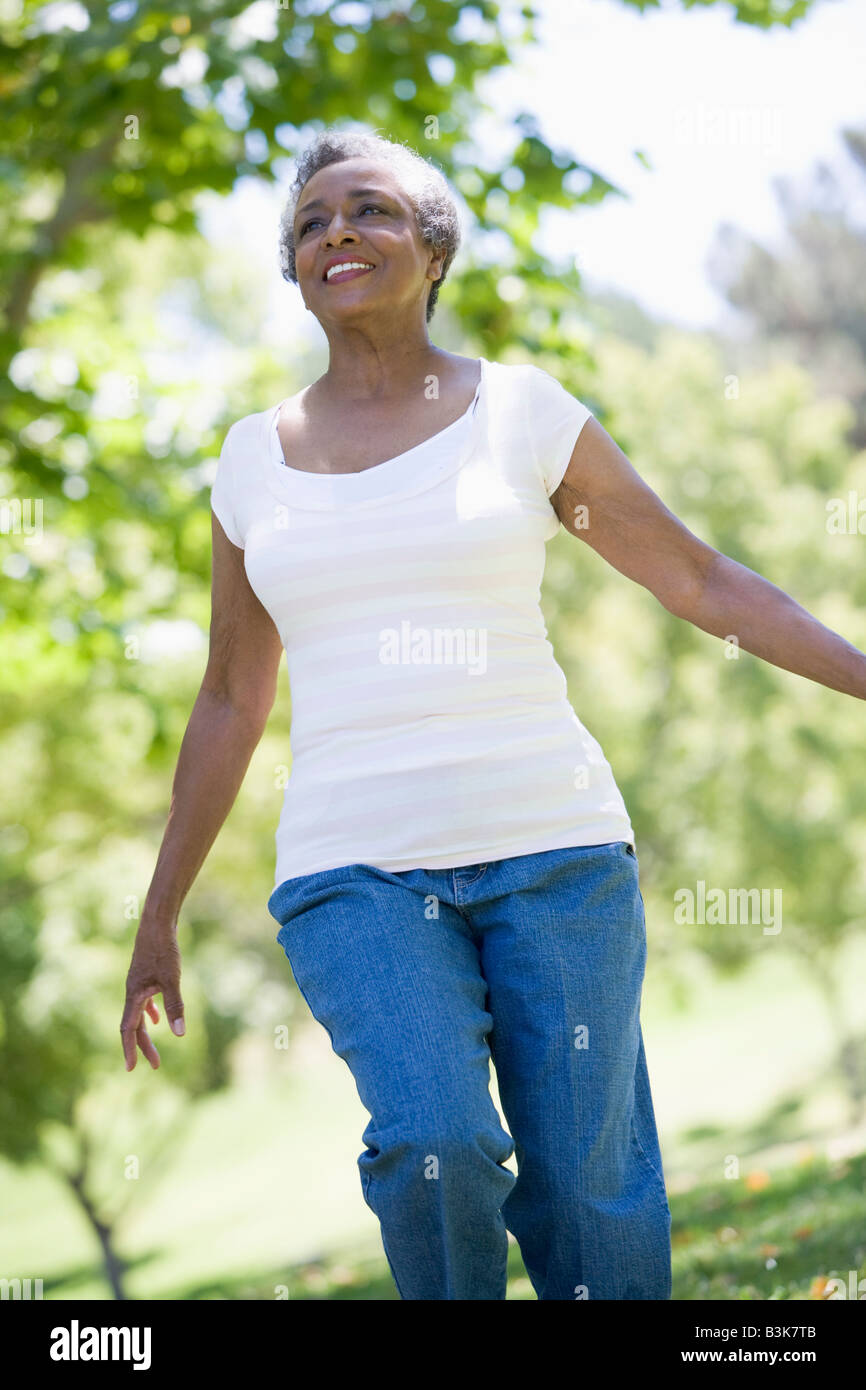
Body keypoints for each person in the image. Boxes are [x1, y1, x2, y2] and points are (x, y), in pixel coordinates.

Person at [121, 129, 866, 1301]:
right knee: (433, 1140)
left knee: (586, 1184)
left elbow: (698, 581)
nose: (335, 234)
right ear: (296, 270)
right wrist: (157, 912)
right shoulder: (249, 462)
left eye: (366, 210)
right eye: (311, 224)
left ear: (432, 247)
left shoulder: (519, 413)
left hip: (553, 848)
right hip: (352, 869)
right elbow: (228, 696)